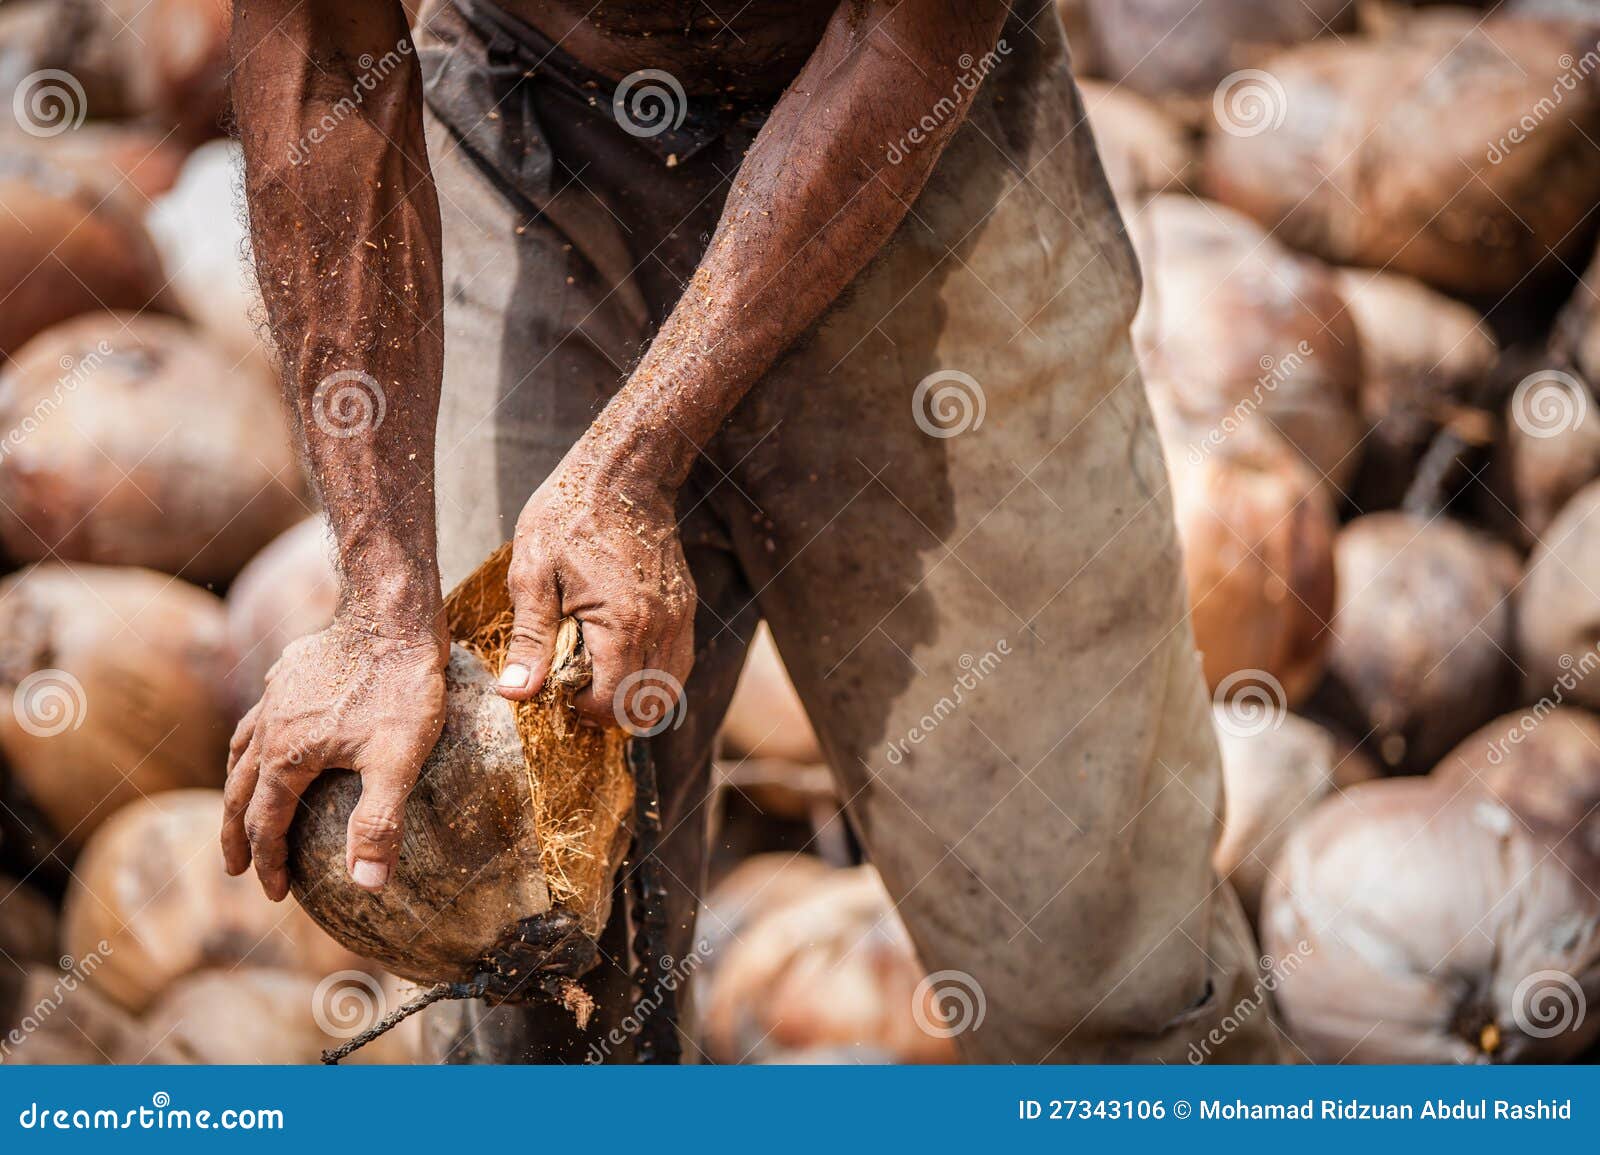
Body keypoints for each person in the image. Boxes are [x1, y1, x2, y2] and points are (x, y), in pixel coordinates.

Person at [223, 0, 1279, 1063]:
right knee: (517, 964)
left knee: (1101, 972)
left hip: (915, 121)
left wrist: (632, 461)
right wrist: (382, 597)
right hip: (531, 121)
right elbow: (317, 51)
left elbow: (913, 32)